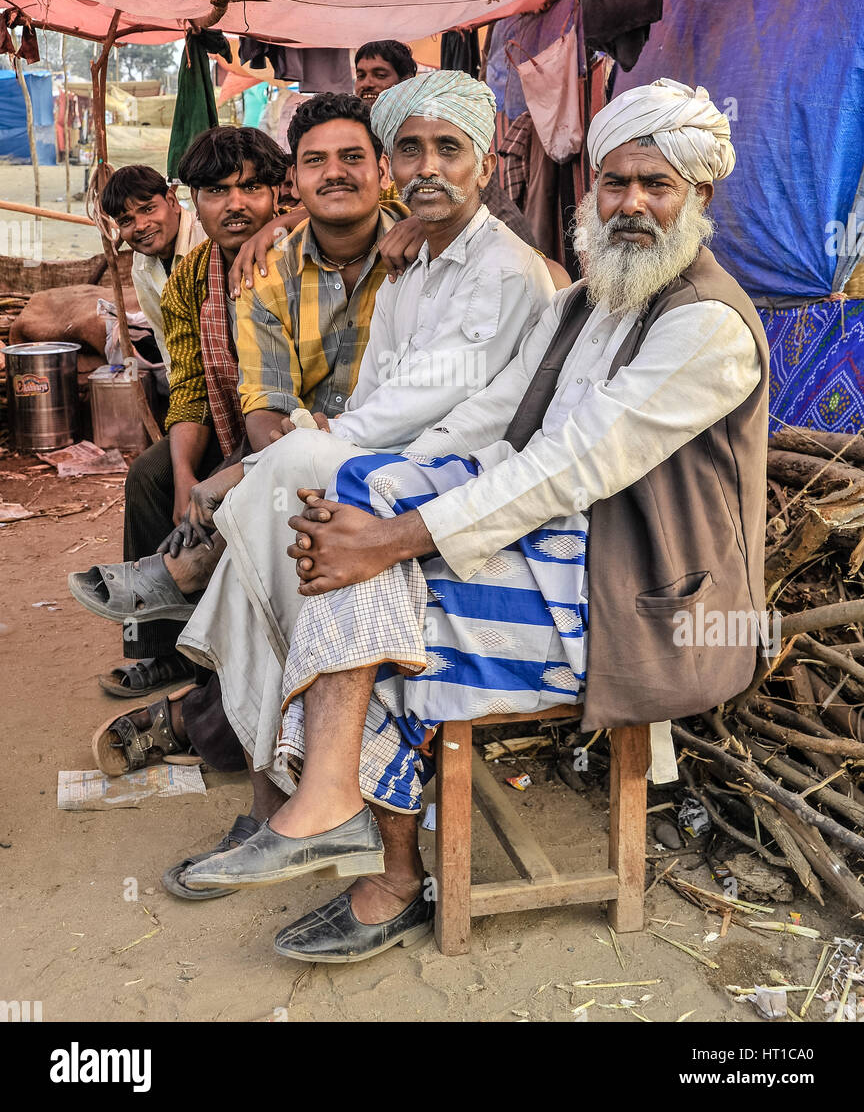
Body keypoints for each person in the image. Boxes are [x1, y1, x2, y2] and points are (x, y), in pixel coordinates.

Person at [183, 78, 769, 967]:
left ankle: (375, 856)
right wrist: (386, 508)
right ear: (590, 191)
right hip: (563, 558)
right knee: (357, 533)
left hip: (641, 601)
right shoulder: (586, 302)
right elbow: (509, 437)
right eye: (616, 183)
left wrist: (397, 536)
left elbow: (567, 468)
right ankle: (340, 810)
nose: (633, 205)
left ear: (701, 198)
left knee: (377, 579)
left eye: (659, 185)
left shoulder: (708, 328)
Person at [110, 71, 554, 898]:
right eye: (410, 147)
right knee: (290, 517)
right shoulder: (407, 263)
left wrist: (281, 460)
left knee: (297, 496)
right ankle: (286, 795)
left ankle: (279, 781)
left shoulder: (496, 268)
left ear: (484, 166)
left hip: (454, 479)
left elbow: (435, 408)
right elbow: (306, 395)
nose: (426, 166)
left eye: (446, 150)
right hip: (393, 456)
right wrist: (297, 451)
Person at [71, 126, 285, 709]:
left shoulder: (294, 249)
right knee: (153, 476)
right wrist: (186, 471)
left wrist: (288, 225)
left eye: (252, 189)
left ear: (279, 192)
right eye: (216, 191)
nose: (235, 204)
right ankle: (157, 648)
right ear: (195, 196)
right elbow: (188, 380)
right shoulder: (188, 276)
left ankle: (218, 661)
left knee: (235, 492)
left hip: (288, 432)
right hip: (225, 416)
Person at [101, 164, 206, 373]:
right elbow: (166, 339)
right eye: (126, 221)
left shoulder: (207, 239)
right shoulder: (141, 265)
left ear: (172, 201)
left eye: (148, 209)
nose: (140, 225)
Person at [353, 40, 417, 106]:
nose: (366, 84)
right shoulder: (346, 115)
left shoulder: (423, 114)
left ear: (406, 81)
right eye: (360, 76)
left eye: (380, 75)